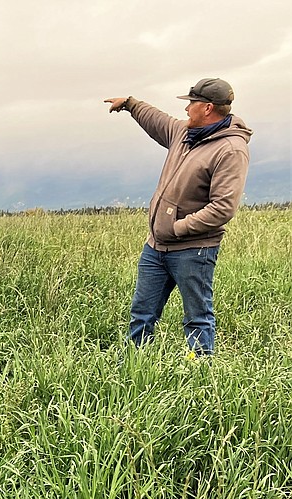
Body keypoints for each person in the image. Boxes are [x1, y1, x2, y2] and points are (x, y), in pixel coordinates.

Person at [105, 79, 251, 357]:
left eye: (191, 103)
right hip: (156, 247)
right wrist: (130, 104)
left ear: (207, 108)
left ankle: (201, 377)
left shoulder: (230, 149)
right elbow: (158, 121)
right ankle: (134, 367)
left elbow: (223, 208)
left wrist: (177, 228)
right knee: (142, 314)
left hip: (194, 250)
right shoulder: (185, 133)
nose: (186, 108)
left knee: (197, 318)